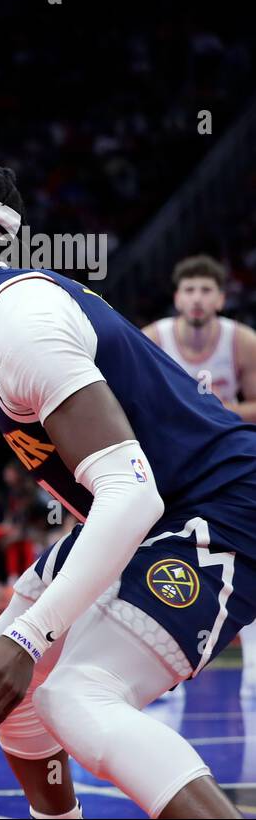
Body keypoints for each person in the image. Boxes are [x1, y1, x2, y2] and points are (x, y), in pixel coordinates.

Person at [0, 151, 254, 818]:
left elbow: (130, 492)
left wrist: (32, 637)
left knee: (75, 691)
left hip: (223, 508)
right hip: (165, 510)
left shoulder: (20, 323)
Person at [143, 255, 256, 695]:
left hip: (228, 467)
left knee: (244, 557)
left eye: (206, 290)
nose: (196, 299)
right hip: (171, 468)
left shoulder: (241, 341)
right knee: (155, 560)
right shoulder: (153, 338)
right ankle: (155, 667)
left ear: (221, 299)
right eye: (189, 290)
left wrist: (215, 412)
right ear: (177, 297)